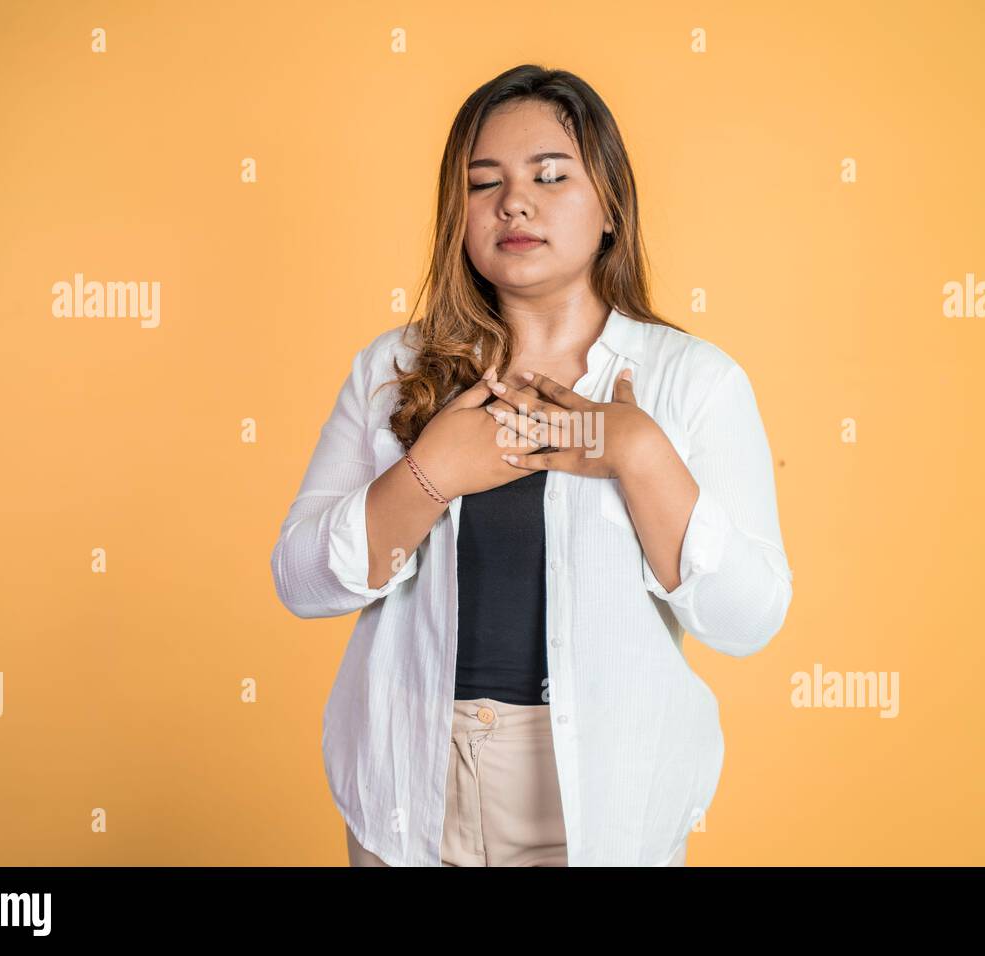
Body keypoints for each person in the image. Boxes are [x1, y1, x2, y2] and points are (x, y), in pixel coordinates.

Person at [270, 64, 793, 866]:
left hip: (597, 794)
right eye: (486, 184)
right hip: (407, 782)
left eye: (550, 175)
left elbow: (747, 620)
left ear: (611, 205)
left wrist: (637, 452)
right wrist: (430, 475)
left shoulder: (695, 382)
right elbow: (301, 581)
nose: (515, 202)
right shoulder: (390, 370)